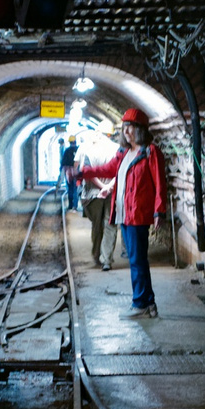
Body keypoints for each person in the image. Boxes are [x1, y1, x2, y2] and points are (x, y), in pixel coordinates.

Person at [72, 108, 169, 318]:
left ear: (141, 129)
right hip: (124, 213)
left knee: (137, 260)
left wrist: (159, 211)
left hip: (138, 214)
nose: (127, 131)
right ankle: (149, 303)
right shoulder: (124, 153)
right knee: (138, 259)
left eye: (131, 127)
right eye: (125, 127)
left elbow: (160, 183)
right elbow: (107, 170)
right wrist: (83, 172)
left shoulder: (151, 153)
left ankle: (140, 304)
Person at [80, 140, 119, 269]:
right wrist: (108, 187)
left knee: (97, 224)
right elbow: (120, 171)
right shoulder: (117, 149)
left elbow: (87, 172)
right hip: (112, 191)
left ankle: (97, 255)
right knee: (110, 224)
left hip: (94, 194)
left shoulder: (89, 152)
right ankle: (106, 259)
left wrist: (103, 187)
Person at [59, 136, 80, 212]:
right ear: (75, 141)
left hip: (69, 174)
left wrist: (61, 170)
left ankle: (70, 205)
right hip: (77, 173)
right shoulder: (79, 150)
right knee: (76, 189)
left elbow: (63, 162)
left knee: (70, 189)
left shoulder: (67, 151)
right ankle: (75, 206)